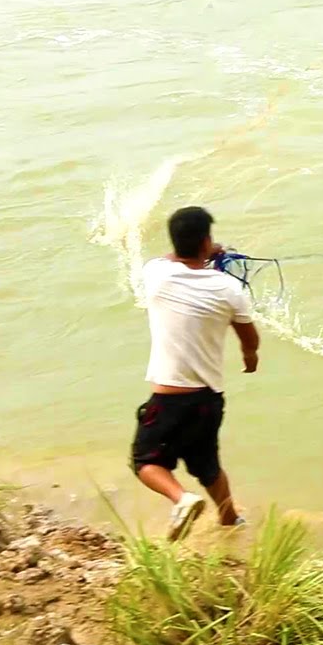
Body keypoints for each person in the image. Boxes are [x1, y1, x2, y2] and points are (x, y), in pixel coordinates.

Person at [130, 205, 260, 541]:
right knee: (208, 467)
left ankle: (181, 499)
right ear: (206, 241)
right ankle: (231, 522)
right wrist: (250, 357)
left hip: (169, 399)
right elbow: (249, 337)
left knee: (145, 461)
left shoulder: (155, 273)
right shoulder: (229, 289)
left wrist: (200, 252)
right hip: (208, 401)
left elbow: (171, 258)